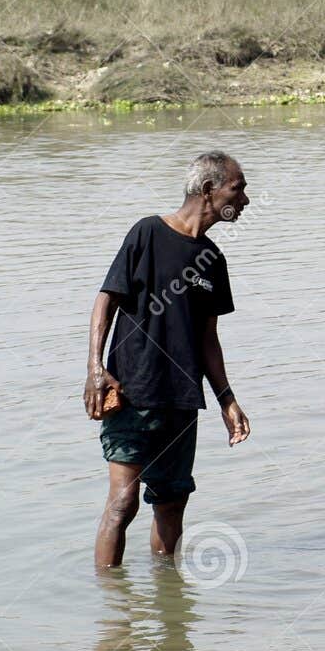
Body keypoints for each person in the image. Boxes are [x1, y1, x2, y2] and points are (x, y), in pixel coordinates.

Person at [85, 150, 252, 569]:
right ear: (209, 190)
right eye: (239, 188)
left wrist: (227, 399)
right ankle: (114, 620)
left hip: (181, 398)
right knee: (123, 502)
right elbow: (107, 299)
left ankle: (169, 613)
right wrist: (95, 368)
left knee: (172, 504)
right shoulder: (147, 233)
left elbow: (208, 338)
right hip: (132, 390)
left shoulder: (213, 260)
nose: (246, 199)